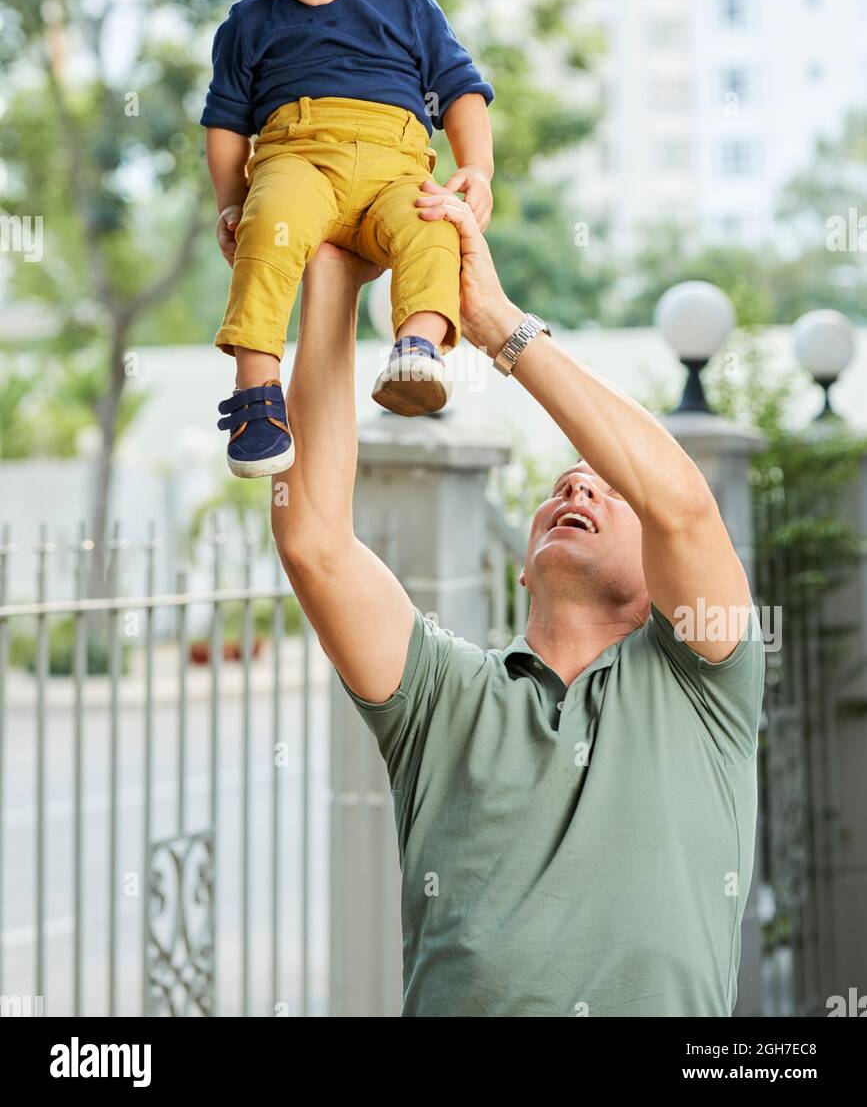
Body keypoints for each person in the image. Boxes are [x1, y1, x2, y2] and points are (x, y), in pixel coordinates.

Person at [271, 183, 767, 1019]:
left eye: (611, 491)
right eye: (563, 483)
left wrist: (494, 322)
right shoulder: (440, 696)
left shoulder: (703, 682)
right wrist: (330, 275)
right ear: (526, 569)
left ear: (667, 579)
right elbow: (313, 540)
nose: (578, 480)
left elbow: (679, 503)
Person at [199, 0, 495, 476]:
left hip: (395, 167)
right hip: (297, 159)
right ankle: (255, 394)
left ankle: (416, 350)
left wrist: (475, 169)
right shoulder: (248, 23)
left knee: (432, 227)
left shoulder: (406, 1)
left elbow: (460, 93)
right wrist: (230, 200)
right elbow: (224, 125)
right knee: (268, 228)